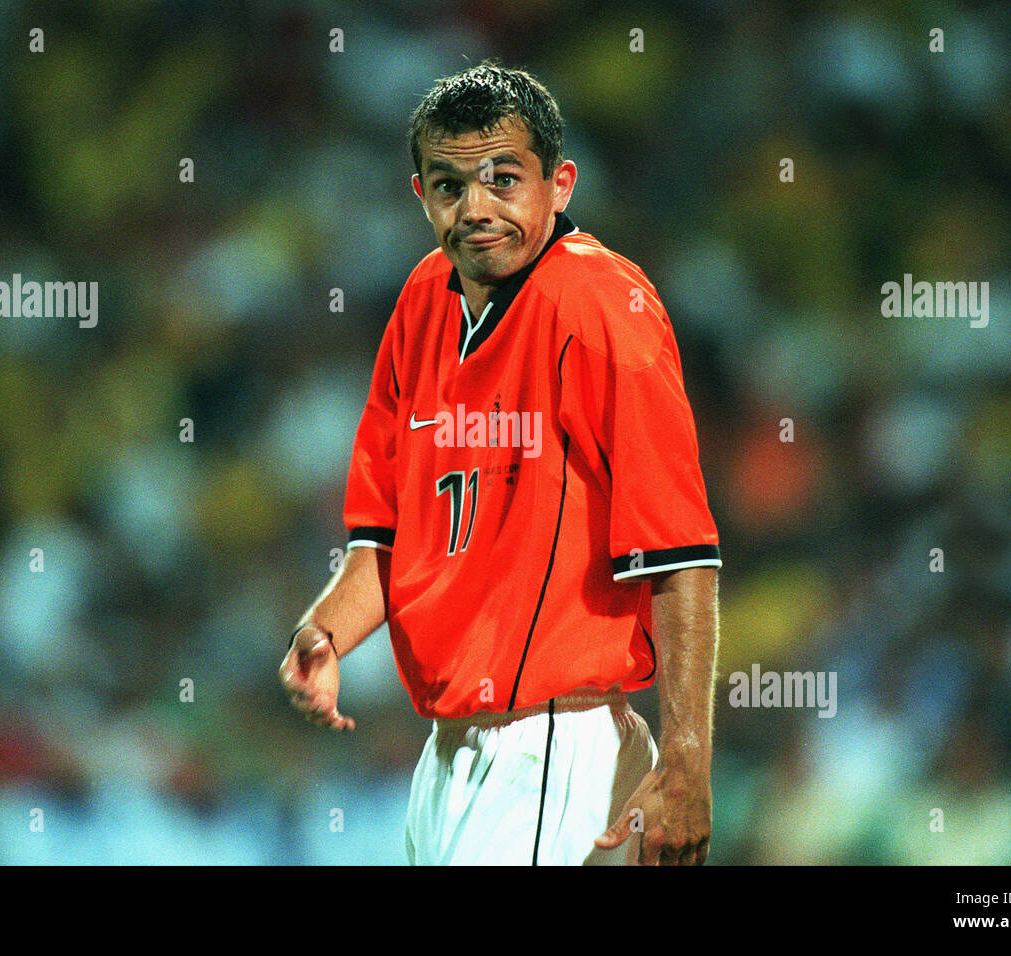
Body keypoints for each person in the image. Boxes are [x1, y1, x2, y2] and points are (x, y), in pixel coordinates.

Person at [279, 60, 722, 866]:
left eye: (503, 179)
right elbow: (384, 538)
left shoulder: (598, 304)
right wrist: (324, 634)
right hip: (449, 750)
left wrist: (690, 758)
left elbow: (683, 555)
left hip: (553, 741)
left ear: (560, 183)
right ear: (420, 195)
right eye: (449, 186)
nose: (476, 208)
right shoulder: (422, 299)